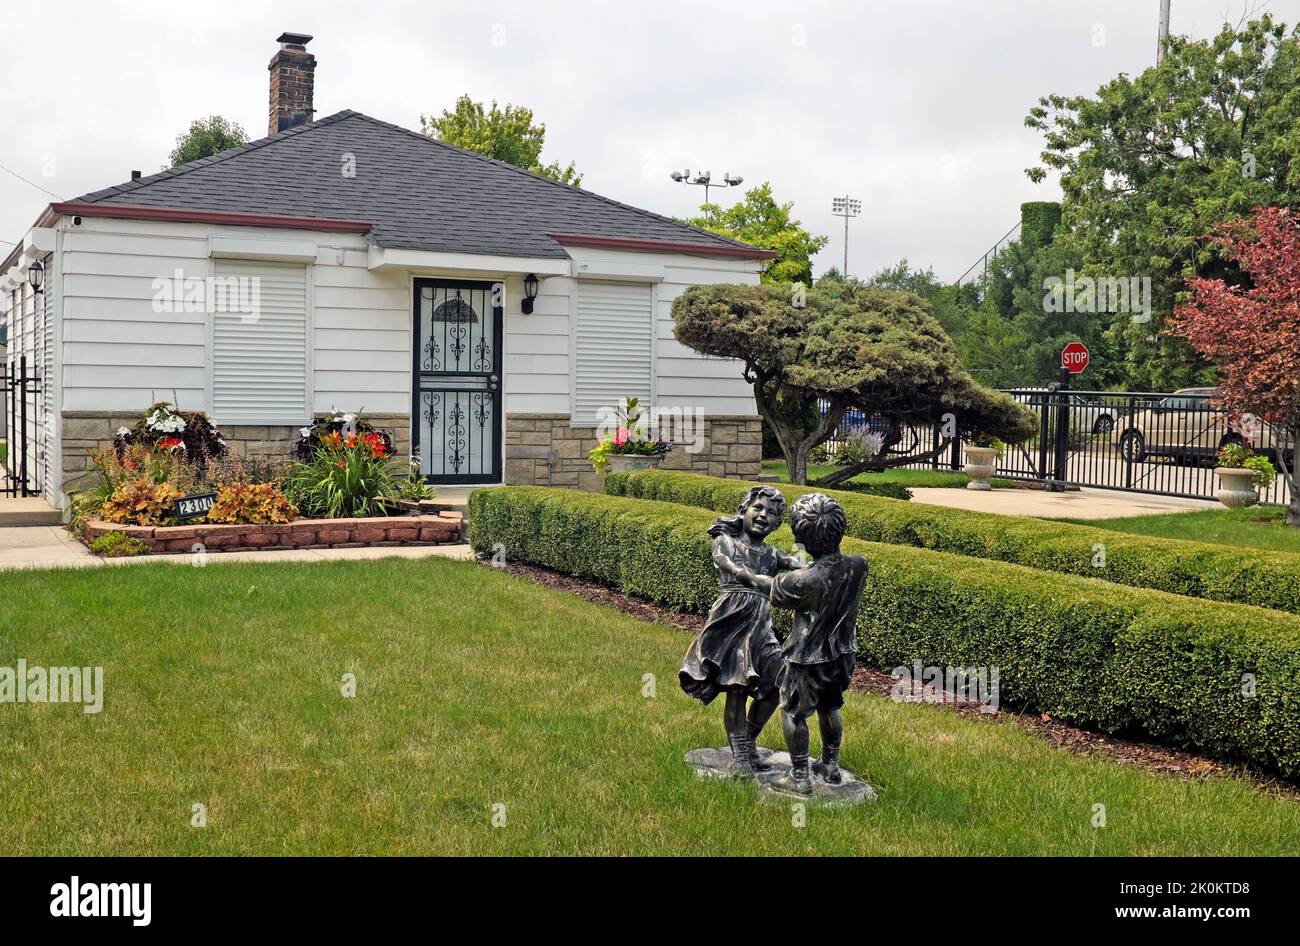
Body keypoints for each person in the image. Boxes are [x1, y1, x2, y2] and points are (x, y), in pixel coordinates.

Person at [736, 492, 867, 795]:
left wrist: (740, 571)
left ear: (802, 539)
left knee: (793, 712)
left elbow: (768, 585)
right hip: (843, 655)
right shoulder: (859, 565)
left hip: (807, 659)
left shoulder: (802, 581)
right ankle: (830, 766)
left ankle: (799, 776)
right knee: (830, 707)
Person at [679, 486, 804, 776]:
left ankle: (748, 742)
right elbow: (731, 568)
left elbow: (799, 565)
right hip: (732, 622)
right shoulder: (725, 542)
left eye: (772, 514)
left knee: (778, 684)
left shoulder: (772, 553)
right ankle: (738, 754)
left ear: (777, 524)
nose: (763, 515)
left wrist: (817, 564)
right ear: (744, 508)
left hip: (761, 628)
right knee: (737, 688)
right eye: (758, 508)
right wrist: (758, 579)